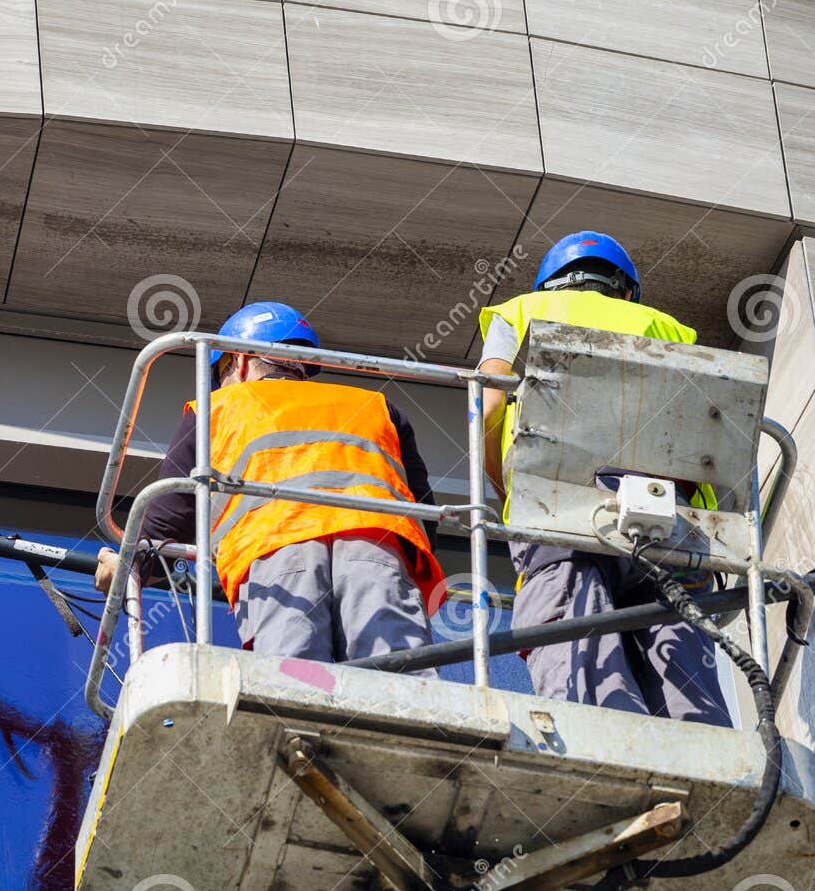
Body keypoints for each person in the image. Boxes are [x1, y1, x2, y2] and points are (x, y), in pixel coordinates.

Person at [94, 302, 443, 667]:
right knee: (396, 672)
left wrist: (127, 568)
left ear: (239, 362)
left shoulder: (217, 409)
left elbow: (169, 515)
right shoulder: (376, 405)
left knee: (297, 676)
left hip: (277, 555)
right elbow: (423, 510)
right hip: (378, 552)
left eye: (222, 372)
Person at [476, 230, 731, 726]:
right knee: (680, 658)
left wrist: (502, 483)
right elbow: (712, 432)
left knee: (577, 644)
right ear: (626, 289)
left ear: (551, 284)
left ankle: (599, 756)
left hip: (561, 511)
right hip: (669, 522)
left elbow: (486, 405)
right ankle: (707, 764)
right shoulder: (669, 328)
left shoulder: (519, 311)